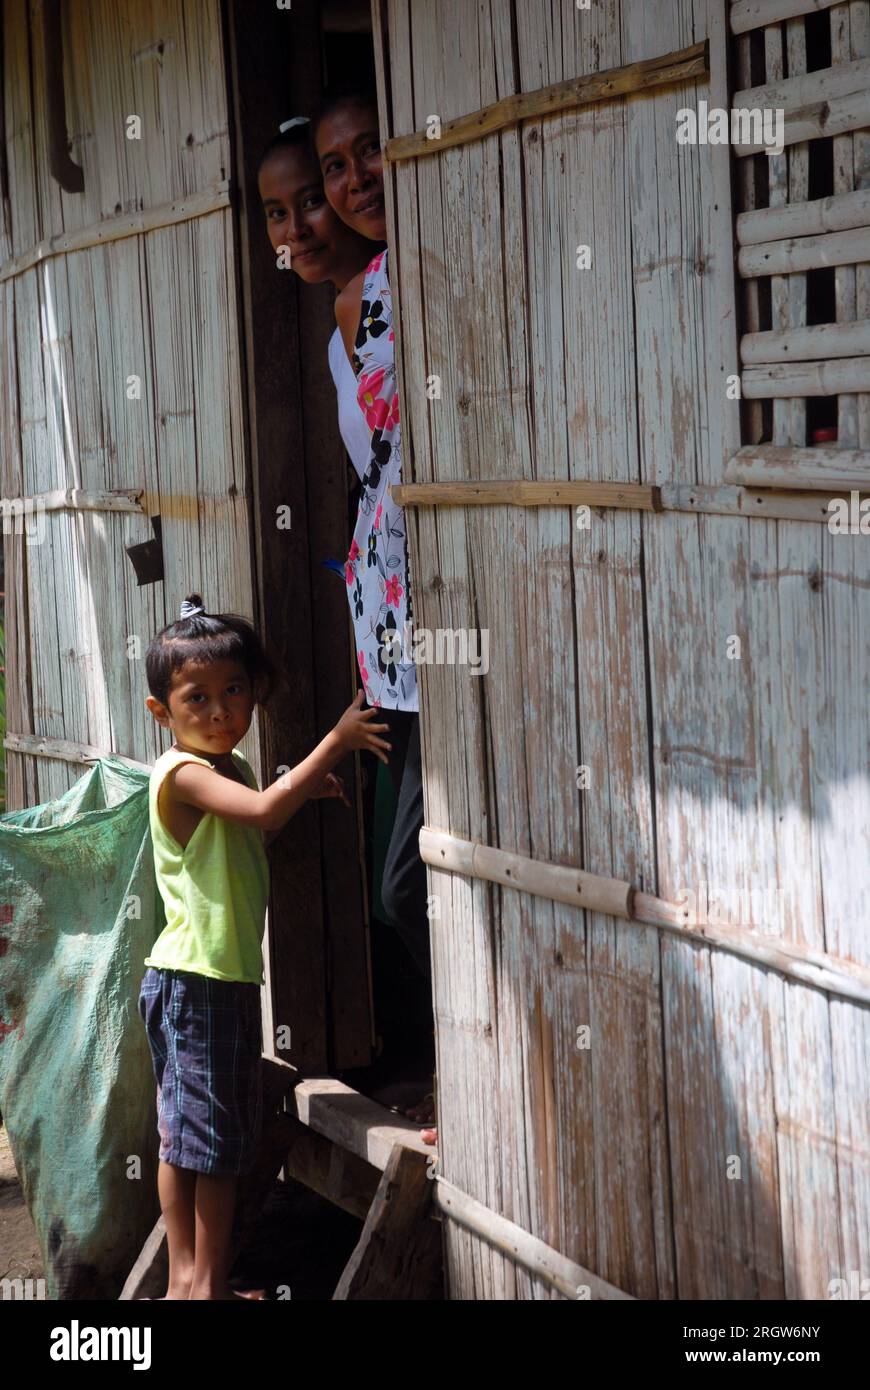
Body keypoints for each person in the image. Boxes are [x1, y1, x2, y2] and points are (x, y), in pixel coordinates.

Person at [138, 593, 391, 1300]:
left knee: (187, 1136)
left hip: (201, 980)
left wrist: (293, 792)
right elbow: (261, 814)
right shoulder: (183, 774)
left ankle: (188, 1283)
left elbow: (252, 833)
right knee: (211, 1146)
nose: (220, 711)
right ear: (163, 712)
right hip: (201, 981)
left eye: (234, 691)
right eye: (198, 698)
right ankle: (204, 1284)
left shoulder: (233, 768)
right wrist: (331, 745)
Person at [314, 89, 436, 1138]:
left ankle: (452, 1070)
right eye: (336, 170)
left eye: (369, 153)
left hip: (448, 608)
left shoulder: (432, 261)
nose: (357, 181)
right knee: (397, 880)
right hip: (387, 620)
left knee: (409, 881)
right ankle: (439, 1067)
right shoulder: (354, 304)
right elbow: (374, 467)